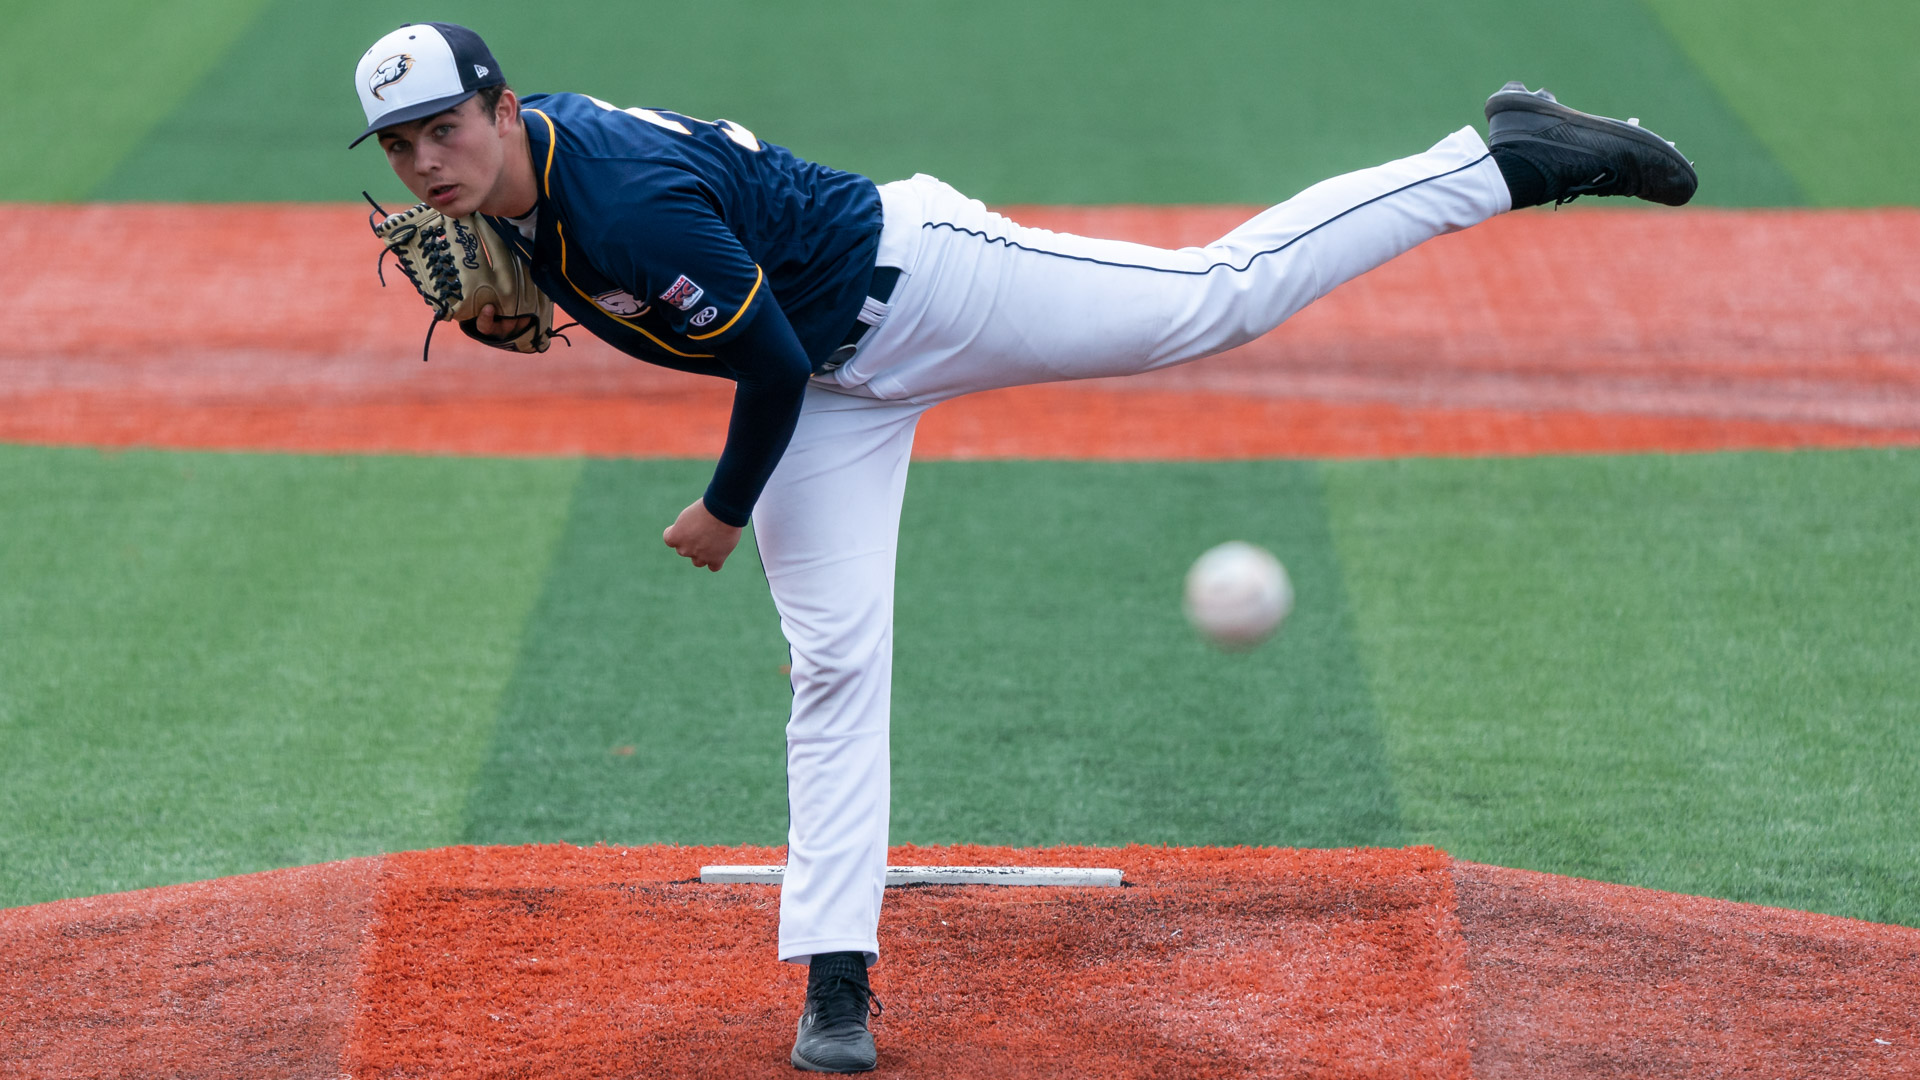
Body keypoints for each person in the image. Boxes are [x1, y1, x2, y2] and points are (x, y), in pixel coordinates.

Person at [351, 21, 1695, 1073]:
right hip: (831, 383)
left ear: (500, 105)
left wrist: (724, 509)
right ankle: (835, 976)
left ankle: (1502, 157)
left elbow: (757, 362)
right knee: (831, 662)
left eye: (440, 127)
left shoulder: (622, 201)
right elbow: (736, 332)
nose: (423, 163)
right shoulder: (529, 192)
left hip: (925, 285)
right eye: (398, 145)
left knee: (1214, 298)